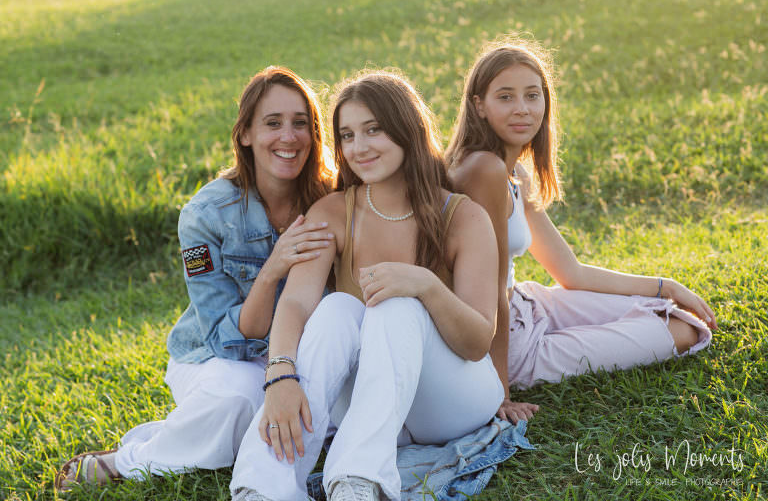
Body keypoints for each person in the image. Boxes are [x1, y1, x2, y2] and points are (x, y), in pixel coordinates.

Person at [229, 70, 505, 501]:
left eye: (373, 130)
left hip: (453, 401)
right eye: (348, 135)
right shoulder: (334, 212)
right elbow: (299, 304)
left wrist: (426, 286)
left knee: (398, 306)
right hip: (369, 405)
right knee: (337, 308)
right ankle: (262, 487)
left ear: (406, 130)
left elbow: (475, 343)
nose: (359, 148)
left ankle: (358, 485)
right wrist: (280, 373)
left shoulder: (464, 217)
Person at [56, 66, 334, 491]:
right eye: (272, 123)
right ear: (245, 134)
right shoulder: (206, 215)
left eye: (301, 123)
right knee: (240, 397)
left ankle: (191, 431)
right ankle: (128, 461)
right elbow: (228, 339)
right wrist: (274, 266)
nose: (289, 137)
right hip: (216, 358)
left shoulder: (330, 201)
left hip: (296, 352)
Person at [446, 37, 716, 421]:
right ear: (479, 106)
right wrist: (499, 392)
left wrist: (665, 285)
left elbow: (570, 272)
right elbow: (489, 292)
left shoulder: (513, 173)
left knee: (674, 311)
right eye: (505, 97)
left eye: (532, 95)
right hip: (508, 341)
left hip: (528, 304)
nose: (522, 109)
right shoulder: (482, 170)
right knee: (682, 332)